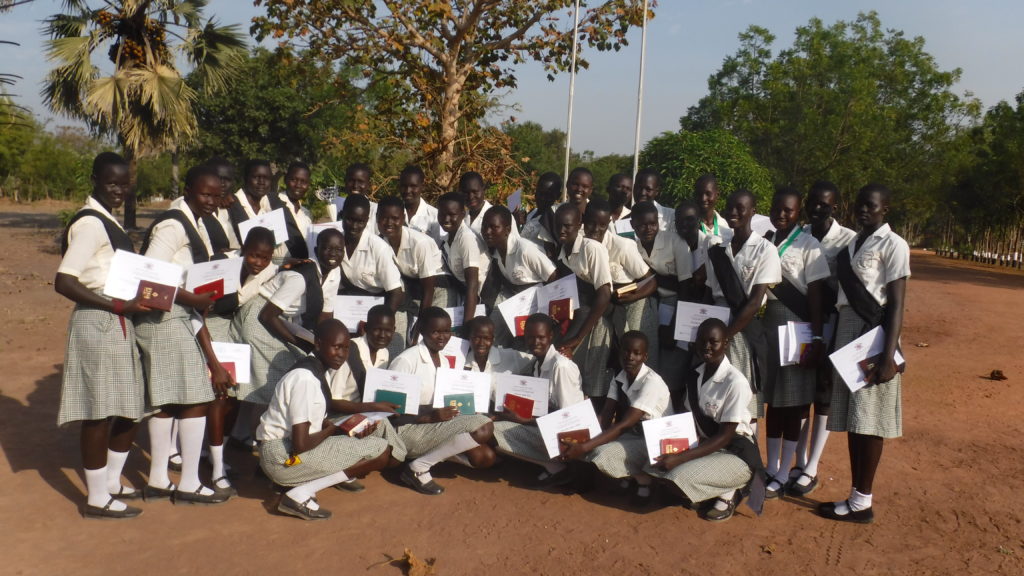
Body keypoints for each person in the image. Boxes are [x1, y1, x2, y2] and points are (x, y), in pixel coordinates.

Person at [55, 152, 147, 518]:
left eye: (125, 185)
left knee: (128, 406)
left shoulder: (108, 221)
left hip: (117, 318)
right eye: (112, 183)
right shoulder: (90, 224)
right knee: (98, 410)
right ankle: (96, 498)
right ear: (95, 179)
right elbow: (64, 281)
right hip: (100, 319)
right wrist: (118, 307)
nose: (119, 191)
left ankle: (110, 481)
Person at [136, 165, 234, 505]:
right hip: (166, 317)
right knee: (196, 397)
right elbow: (148, 275)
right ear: (188, 190)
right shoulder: (172, 224)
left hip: (181, 315)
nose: (211, 200)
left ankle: (159, 478)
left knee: (167, 400)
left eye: (215, 195)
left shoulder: (196, 222)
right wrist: (188, 296)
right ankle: (189, 481)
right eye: (204, 194)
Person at [819, 184, 910, 524]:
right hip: (847, 330)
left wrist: (887, 355)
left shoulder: (894, 244)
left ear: (885, 208)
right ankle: (856, 497)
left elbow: (897, 303)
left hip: (874, 335)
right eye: (860, 205)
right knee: (855, 421)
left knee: (869, 421)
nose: (864, 211)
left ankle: (862, 502)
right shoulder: (852, 244)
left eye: (871, 206)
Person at [256, 319, 395, 520]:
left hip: (287, 449)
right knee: (381, 451)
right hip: (280, 457)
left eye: (346, 348)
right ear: (319, 344)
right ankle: (298, 494)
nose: (342, 355)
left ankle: (297, 486)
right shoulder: (305, 379)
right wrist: (332, 429)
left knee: (363, 440)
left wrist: (344, 429)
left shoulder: (318, 370)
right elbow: (301, 445)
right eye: (336, 347)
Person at [647, 318, 763, 522]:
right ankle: (706, 489)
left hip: (734, 450)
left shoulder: (735, 382)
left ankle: (731, 492)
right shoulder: (695, 374)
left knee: (676, 477)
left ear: (725, 344)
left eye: (713, 342)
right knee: (652, 468)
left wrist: (680, 458)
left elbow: (725, 437)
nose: (706, 347)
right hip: (706, 443)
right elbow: (687, 415)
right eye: (701, 341)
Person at [760, 188, 831, 500]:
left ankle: (784, 469)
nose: (782, 215)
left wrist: (816, 336)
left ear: (797, 213)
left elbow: (815, 296)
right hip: (770, 323)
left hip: (798, 325)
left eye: (789, 211)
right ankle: (770, 464)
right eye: (778, 209)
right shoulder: (765, 241)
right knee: (774, 400)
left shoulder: (808, 245)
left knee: (794, 401)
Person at [790, 181, 857, 495]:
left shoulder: (848, 241)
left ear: (835, 207)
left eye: (825, 204)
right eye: (813, 202)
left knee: (824, 391)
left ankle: (812, 465)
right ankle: (798, 460)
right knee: (801, 388)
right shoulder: (797, 235)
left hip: (832, 323)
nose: (817, 208)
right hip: (798, 324)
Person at [201, 226, 278, 495]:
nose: (258, 263)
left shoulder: (271, 272)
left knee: (231, 397)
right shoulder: (221, 264)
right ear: (243, 250)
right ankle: (215, 468)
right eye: (253, 255)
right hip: (208, 330)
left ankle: (214, 453)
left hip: (234, 336)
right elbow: (206, 307)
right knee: (216, 397)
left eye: (265, 257)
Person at [231, 228, 343, 409]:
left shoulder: (334, 273)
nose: (333, 254)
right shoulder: (300, 278)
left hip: (278, 318)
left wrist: (320, 345)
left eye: (339, 250)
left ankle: (243, 431)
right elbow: (267, 315)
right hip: (258, 317)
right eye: (328, 248)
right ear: (316, 250)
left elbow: (324, 314)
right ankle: (257, 429)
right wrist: (299, 343)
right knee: (280, 371)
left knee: (302, 360)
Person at [388, 308, 497, 495]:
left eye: (446, 331)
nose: (442, 337)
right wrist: (428, 415)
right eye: (435, 331)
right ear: (422, 330)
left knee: (484, 457)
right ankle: (418, 467)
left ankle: (430, 456)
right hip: (408, 428)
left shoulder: (445, 361)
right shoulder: (407, 360)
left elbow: (445, 401)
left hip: (435, 423)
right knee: (483, 427)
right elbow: (391, 411)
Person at [560, 332, 672, 506]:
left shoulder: (652, 382)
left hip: (655, 439)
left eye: (636, 353)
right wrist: (584, 436)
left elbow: (625, 424)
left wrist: (584, 446)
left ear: (645, 356)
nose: (630, 357)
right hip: (634, 432)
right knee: (593, 443)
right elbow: (606, 415)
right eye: (626, 351)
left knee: (601, 453)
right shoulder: (619, 377)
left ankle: (645, 481)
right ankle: (631, 474)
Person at [704, 190, 781, 428]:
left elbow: (756, 300)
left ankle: (748, 454)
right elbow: (710, 292)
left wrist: (725, 336)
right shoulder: (717, 248)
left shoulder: (765, 249)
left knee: (745, 395)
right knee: (715, 394)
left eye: (741, 208)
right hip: (717, 326)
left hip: (743, 329)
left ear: (753, 211)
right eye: (730, 207)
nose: (734, 212)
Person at [491, 314, 585, 486]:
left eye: (541, 337)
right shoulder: (537, 364)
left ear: (551, 337)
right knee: (495, 426)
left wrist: (523, 419)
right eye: (531, 337)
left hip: (570, 432)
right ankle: (553, 466)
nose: (536, 342)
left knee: (495, 432)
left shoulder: (561, 366)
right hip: (548, 425)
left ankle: (563, 466)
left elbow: (569, 416)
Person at [583, 199, 659, 368]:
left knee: (639, 358)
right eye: (591, 224)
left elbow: (651, 281)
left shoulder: (622, 246)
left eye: (602, 225)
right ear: (583, 220)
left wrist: (632, 295)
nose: (596, 230)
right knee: (604, 357)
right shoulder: (581, 244)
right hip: (605, 305)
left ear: (609, 223)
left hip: (635, 304)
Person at [553, 202, 614, 404]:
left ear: (579, 225)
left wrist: (579, 337)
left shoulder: (592, 249)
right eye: (558, 225)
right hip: (578, 314)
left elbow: (604, 293)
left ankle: (595, 421)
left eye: (568, 226)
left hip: (597, 316)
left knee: (593, 373)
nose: (562, 230)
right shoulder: (562, 252)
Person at [630, 201, 694, 382]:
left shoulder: (675, 241)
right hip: (651, 303)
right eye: (642, 225)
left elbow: (685, 286)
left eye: (653, 224)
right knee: (650, 354)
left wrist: (675, 325)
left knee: (671, 362)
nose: (649, 229)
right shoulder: (633, 247)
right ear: (632, 225)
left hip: (676, 304)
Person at [376, 196, 444, 355]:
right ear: (377, 218)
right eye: (384, 218)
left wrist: (419, 329)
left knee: (428, 335)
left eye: (395, 218)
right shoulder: (379, 242)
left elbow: (429, 290)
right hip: (410, 286)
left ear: (403, 218)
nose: (389, 223)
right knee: (398, 331)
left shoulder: (420, 243)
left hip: (437, 287)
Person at [481, 205, 557, 346]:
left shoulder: (525, 249)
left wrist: (547, 312)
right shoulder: (495, 253)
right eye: (484, 227)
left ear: (508, 230)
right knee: (490, 336)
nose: (487, 232)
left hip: (537, 307)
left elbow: (553, 276)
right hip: (514, 304)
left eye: (493, 227)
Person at [335, 194, 404, 318]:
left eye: (360, 221)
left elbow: (396, 293)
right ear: (342, 215)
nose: (354, 226)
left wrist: (380, 322)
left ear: (367, 220)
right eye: (350, 219)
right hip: (345, 306)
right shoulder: (333, 242)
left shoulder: (378, 248)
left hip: (380, 307)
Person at [437, 192, 491, 324]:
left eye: (452, 215)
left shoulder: (466, 239)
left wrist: (468, 324)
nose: (446, 219)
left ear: (462, 214)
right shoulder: (446, 239)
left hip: (485, 299)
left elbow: (472, 284)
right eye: (442, 214)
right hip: (467, 298)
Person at [262, 161, 314, 263]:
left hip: (300, 266)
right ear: (285, 179)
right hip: (275, 266)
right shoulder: (271, 203)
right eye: (294, 180)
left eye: (303, 182)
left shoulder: (306, 214)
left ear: (308, 184)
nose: (298, 185)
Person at [226, 159, 273, 242]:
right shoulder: (229, 204)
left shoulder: (270, 206)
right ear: (245, 178)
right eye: (256, 177)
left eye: (266, 178)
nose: (261, 182)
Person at [519, 172, 561, 258]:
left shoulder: (553, 220)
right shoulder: (532, 212)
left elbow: (551, 254)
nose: (543, 198)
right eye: (540, 193)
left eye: (549, 195)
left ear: (558, 196)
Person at [398, 165, 441, 241]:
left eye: (413, 186)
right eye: (404, 186)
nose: (408, 191)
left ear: (422, 186)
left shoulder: (435, 217)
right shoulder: (392, 213)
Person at [694, 174, 732, 241]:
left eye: (708, 194)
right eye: (699, 194)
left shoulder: (727, 229)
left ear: (717, 195)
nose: (703, 198)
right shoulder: (687, 226)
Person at [461, 171, 492, 237]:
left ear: (483, 190)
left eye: (475, 192)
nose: (471, 197)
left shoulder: (500, 216)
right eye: (466, 193)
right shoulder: (460, 218)